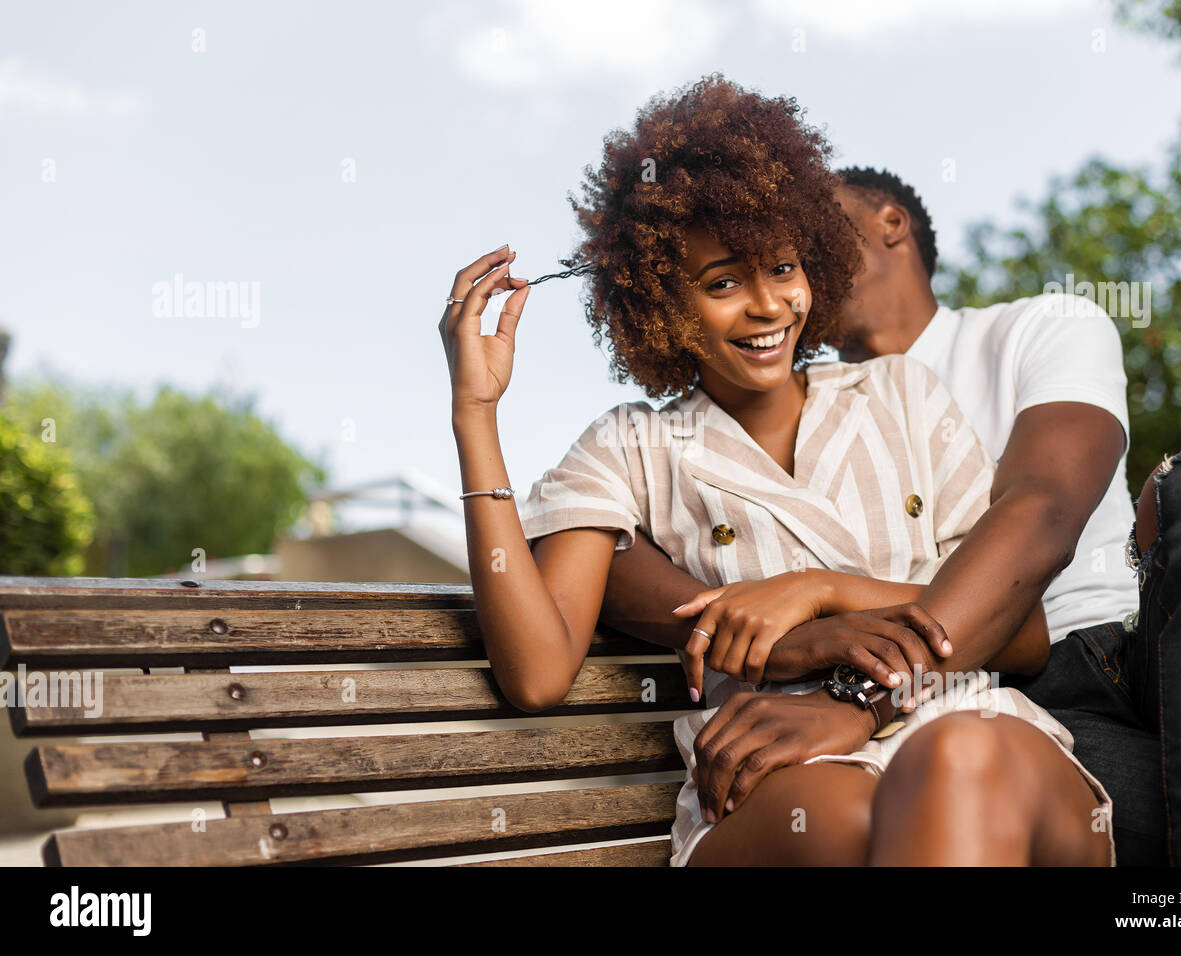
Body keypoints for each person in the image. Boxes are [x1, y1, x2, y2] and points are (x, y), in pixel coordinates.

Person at [439, 74, 1114, 866]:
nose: (767, 306)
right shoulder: (628, 448)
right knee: (842, 812)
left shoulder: (902, 393)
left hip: (969, 727)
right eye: (722, 282)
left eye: (784, 269)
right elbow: (538, 670)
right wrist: (475, 414)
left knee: (956, 760)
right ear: (659, 299)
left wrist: (824, 594)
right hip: (774, 766)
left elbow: (1024, 632)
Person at [599, 161, 1181, 866]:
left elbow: (1044, 509)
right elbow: (605, 544)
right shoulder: (778, 414)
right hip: (1013, 713)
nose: (785, 263)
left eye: (800, 236)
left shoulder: (1036, 327)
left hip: (1139, 664)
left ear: (889, 223)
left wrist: (854, 679)